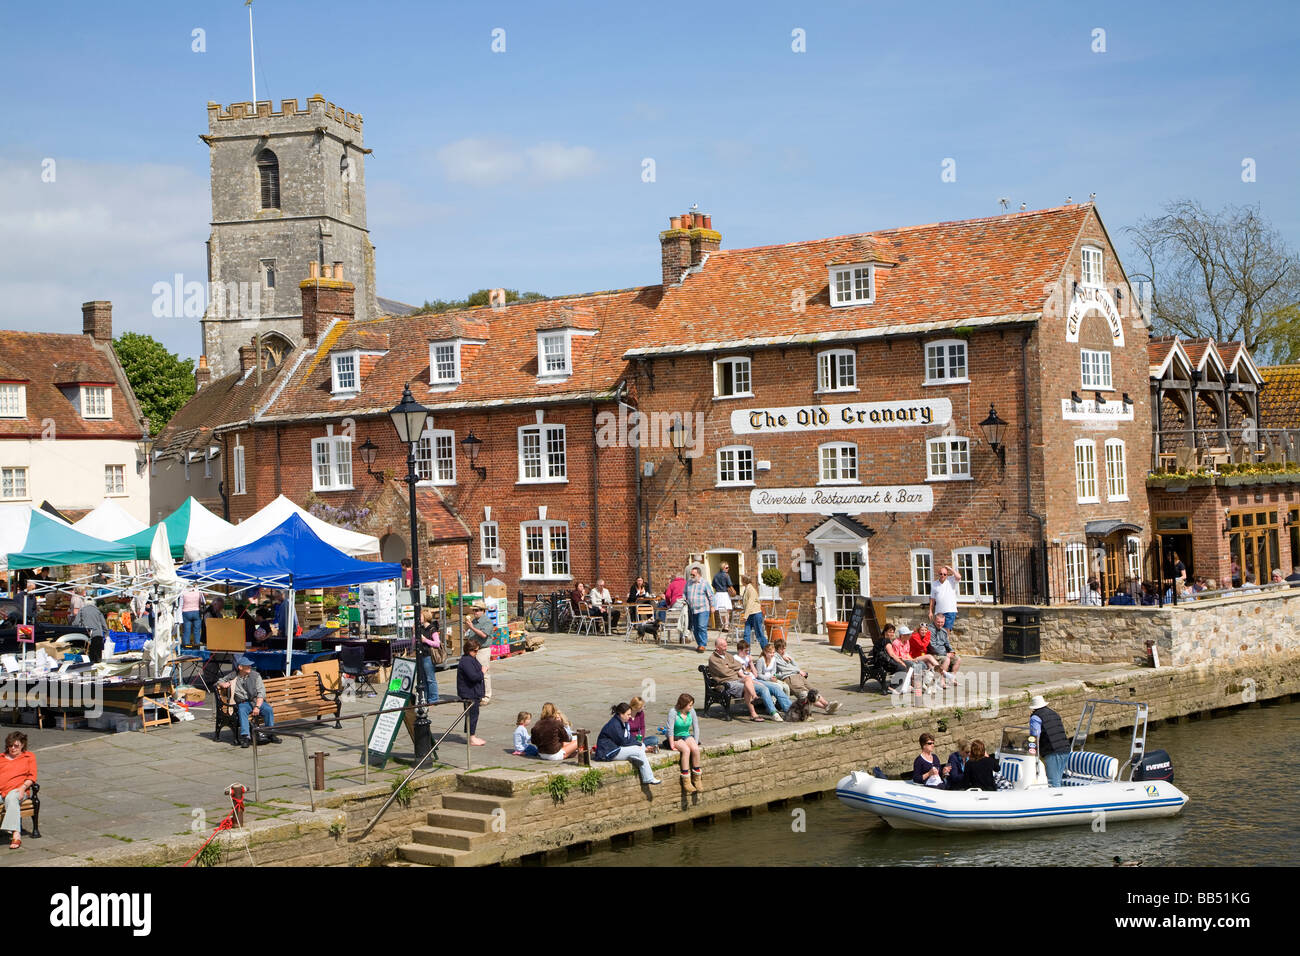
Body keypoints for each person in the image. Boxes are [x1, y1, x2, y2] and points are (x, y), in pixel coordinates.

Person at [218, 655, 281, 748]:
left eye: (250, 665)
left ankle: (270, 733)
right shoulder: (233, 675)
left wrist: (257, 707)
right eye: (247, 666)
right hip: (243, 702)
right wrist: (223, 684)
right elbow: (219, 681)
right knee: (242, 710)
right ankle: (245, 737)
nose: (250, 667)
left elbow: (261, 693)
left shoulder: (256, 676)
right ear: (240, 667)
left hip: (256, 701)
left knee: (268, 709)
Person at [594, 703, 661, 785]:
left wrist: (639, 744)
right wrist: (638, 744)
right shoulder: (614, 725)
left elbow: (629, 737)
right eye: (628, 714)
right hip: (608, 752)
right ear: (621, 714)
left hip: (617, 747)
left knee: (641, 746)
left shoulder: (623, 721)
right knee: (639, 751)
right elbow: (623, 742)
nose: (630, 716)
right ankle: (648, 778)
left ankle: (633, 758)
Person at [768, 638, 840, 713]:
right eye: (781, 649)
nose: (783, 651)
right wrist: (798, 670)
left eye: (784, 649)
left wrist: (791, 660)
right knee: (806, 695)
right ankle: (826, 707)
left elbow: (796, 666)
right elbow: (785, 669)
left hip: (798, 676)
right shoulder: (775, 657)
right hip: (789, 678)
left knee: (813, 691)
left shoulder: (785, 655)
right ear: (777, 649)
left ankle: (827, 704)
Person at [706, 636, 764, 721]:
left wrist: (728, 666)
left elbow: (739, 665)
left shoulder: (728, 655)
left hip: (735, 679)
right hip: (724, 682)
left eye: (726, 646)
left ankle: (755, 697)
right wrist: (733, 669)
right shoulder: (713, 659)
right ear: (717, 647)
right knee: (748, 687)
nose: (726, 648)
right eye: (723, 646)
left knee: (748, 679)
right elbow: (724, 672)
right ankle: (753, 714)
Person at [0, 732, 36, 850]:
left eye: (16, 745)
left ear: (22, 745)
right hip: (1, 791)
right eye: (10, 745)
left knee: (12, 797)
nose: (13, 748)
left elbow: (32, 777)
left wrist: (22, 788)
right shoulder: (1, 758)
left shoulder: (29, 757)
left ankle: (16, 834)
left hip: (19, 791)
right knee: (8, 797)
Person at [735, 639, 789, 717]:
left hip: (755, 679)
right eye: (746, 651)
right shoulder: (736, 659)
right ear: (739, 650)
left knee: (776, 687)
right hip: (747, 682)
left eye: (748, 651)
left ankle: (790, 709)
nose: (747, 652)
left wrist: (750, 663)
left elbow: (756, 675)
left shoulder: (747, 658)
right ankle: (773, 712)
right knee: (764, 689)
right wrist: (755, 681)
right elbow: (740, 675)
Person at [1028, 695, 1068, 787]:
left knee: (1052, 781)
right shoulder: (1054, 713)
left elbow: (1034, 736)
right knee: (1058, 779)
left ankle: (1057, 800)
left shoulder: (1035, 717)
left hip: (1052, 751)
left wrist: (1029, 747)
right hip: (1065, 748)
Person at [667, 693, 703, 792]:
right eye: (690, 705)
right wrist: (672, 744)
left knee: (695, 749)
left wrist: (695, 741)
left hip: (686, 734)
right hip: (676, 736)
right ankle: (686, 780)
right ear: (683, 704)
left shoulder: (691, 712)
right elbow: (670, 729)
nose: (691, 707)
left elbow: (696, 727)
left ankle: (697, 778)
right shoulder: (673, 712)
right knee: (686, 750)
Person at [456, 639, 487, 746]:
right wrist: (482, 671)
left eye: (477, 650)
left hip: (473, 692)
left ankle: (471, 735)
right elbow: (473, 676)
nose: (476, 653)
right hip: (469, 693)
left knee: (472, 714)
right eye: (475, 651)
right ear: (469, 650)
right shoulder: (466, 661)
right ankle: (472, 737)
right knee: (472, 714)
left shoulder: (470, 658)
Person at [466, 603, 493, 704]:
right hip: (473, 650)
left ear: (483, 611)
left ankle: (486, 696)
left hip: (483, 650)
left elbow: (483, 635)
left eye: (477, 610)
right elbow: (471, 633)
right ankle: (477, 693)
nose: (475, 612)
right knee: (475, 673)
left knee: (484, 673)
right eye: (474, 610)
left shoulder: (487, 622)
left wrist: (472, 627)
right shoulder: (474, 621)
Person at [685, 565, 712, 652]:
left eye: (693, 575)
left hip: (703, 609)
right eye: (691, 574)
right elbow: (684, 593)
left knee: (702, 626)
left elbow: (711, 595)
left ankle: (703, 644)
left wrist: (713, 606)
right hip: (693, 609)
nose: (691, 576)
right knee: (695, 628)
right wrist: (684, 599)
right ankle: (699, 643)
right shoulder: (688, 583)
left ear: (699, 574)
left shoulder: (704, 583)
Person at [928, 613, 961, 687]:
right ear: (934, 620)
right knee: (947, 659)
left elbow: (947, 644)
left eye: (942, 622)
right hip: (934, 653)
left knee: (958, 659)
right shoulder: (930, 630)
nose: (940, 624)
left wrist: (952, 651)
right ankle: (942, 681)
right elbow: (933, 646)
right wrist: (946, 654)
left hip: (943, 653)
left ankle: (952, 679)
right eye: (938, 622)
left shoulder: (944, 631)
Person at [417, 608, 441, 705]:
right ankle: (425, 698)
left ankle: (434, 698)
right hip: (421, 656)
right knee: (423, 679)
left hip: (428, 656)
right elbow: (414, 643)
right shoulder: (420, 628)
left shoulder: (432, 629)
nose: (419, 618)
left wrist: (425, 640)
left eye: (421, 616)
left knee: (430, 678)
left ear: (426, 617)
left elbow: (437, 644)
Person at [929, 564, 961, 634]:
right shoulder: (934, 584)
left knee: (946, 632)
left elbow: (958, 577)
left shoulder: (951, 580)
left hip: (950, 611)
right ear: (938, 574)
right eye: (941, 574)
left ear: (947, 575)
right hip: (939, 611)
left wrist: (950, 569)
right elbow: (932, 599)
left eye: (945, 574)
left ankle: (945, 645)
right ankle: (940, 645)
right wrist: (930, 611)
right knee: (938, 632)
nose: (942, 575)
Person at [737, 574, 766, 649]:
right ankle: (746, 652)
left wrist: (745, 616)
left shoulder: (751, 590)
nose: (741, 581)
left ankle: (767, 650)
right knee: (746, 634)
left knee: (759, 634)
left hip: (755, 614)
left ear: (744, 581)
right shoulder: (747, 589)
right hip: (749, 615)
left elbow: (750, 603)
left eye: (741, 580)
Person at [711, 562, 735, 632]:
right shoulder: (726, 575)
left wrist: (718, 588)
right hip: (724, 594)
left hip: (718, 594)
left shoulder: (715, 575)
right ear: (723, 568)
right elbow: (730, 584)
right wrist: (733, 591)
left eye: (728, 567)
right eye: (726, 568)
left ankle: (724, 625)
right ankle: (726, 626)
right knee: (727, 610)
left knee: (722, 610)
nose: (728, 569)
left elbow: (713, 585)